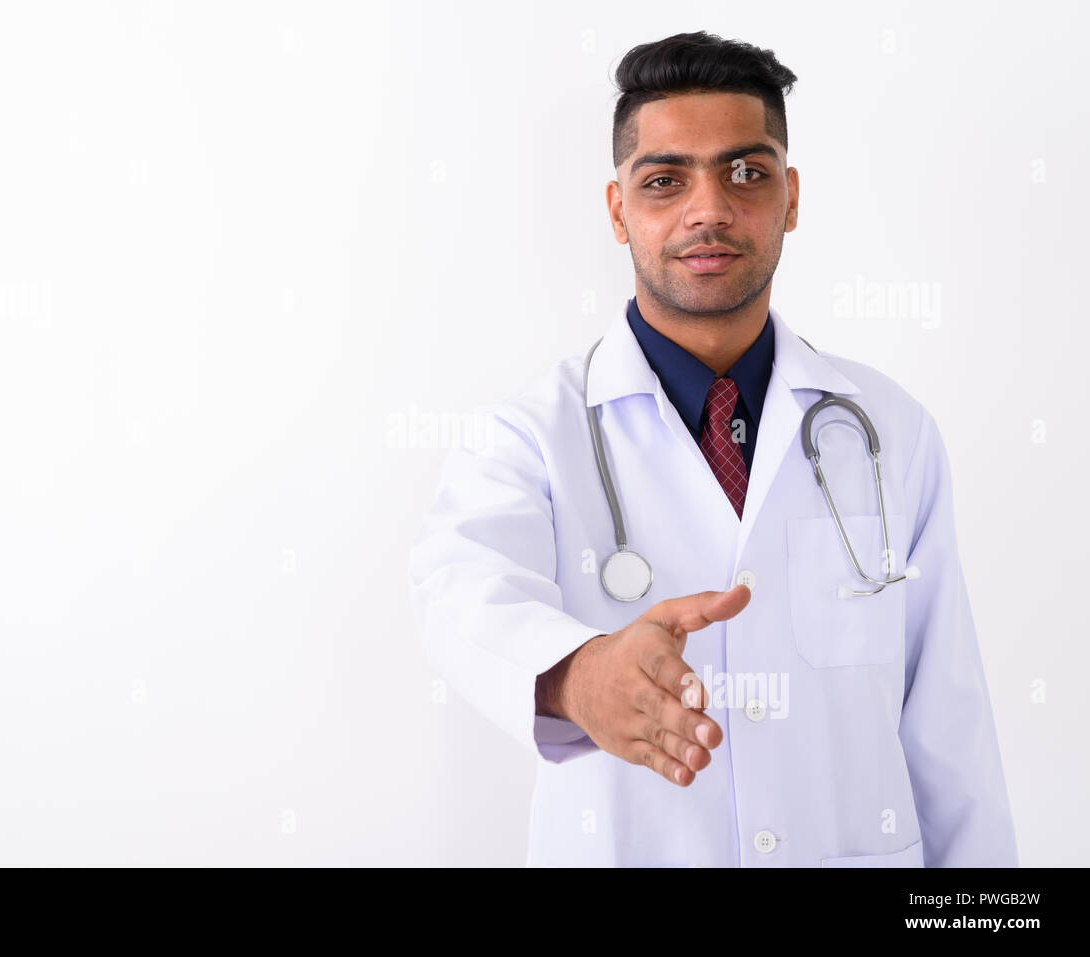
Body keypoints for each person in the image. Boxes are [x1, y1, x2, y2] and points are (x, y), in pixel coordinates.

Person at [407, 31, 1018, 867]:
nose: (709, 210)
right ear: (619, 210)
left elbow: (950, 726)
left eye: (746, 172)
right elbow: (457, 591)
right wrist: (576, 676)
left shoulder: (890, 429)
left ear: (791, 196)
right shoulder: (528, 436)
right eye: (665, 180)